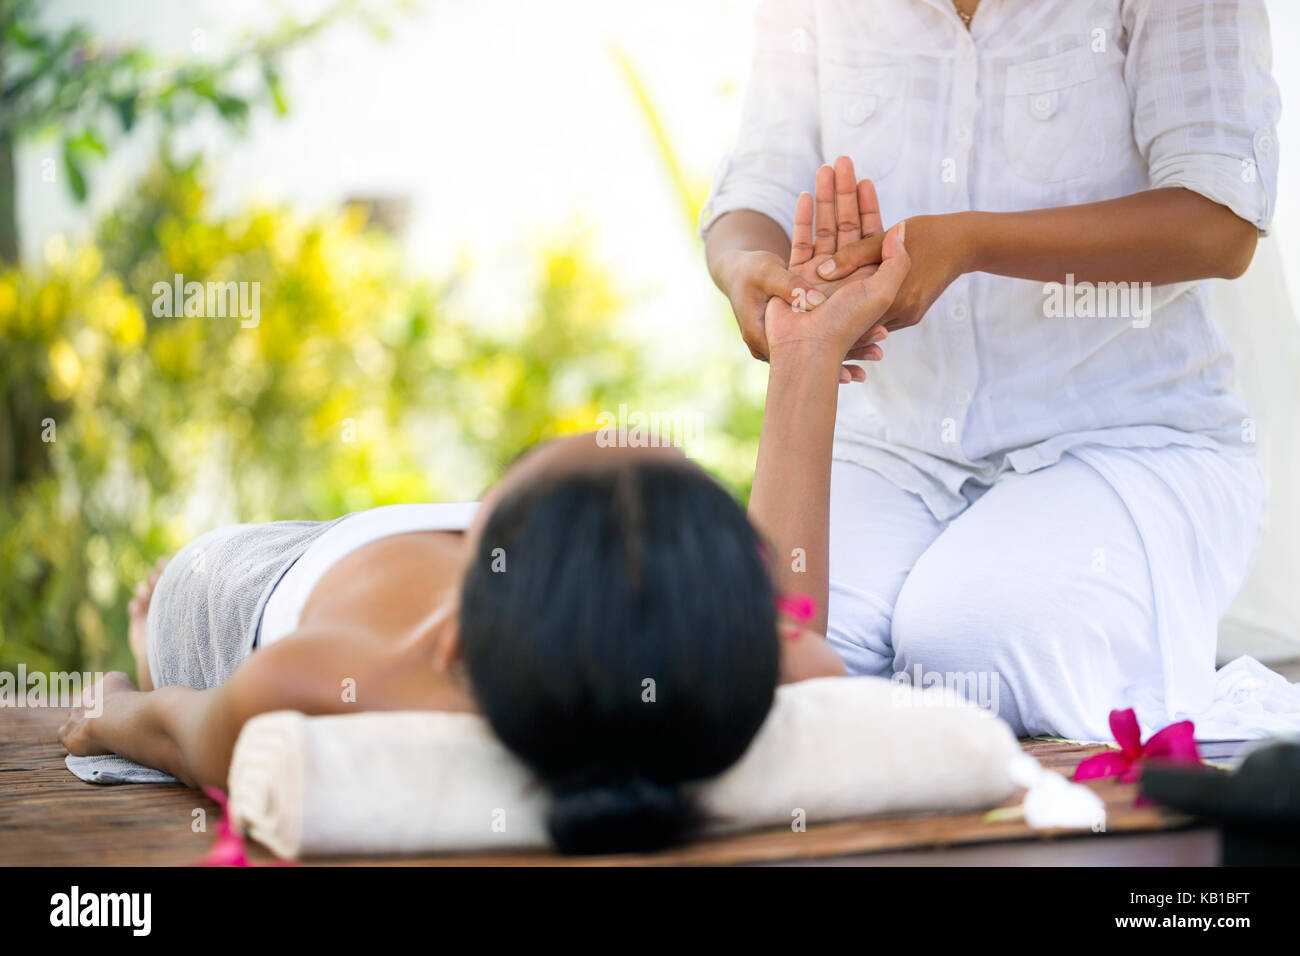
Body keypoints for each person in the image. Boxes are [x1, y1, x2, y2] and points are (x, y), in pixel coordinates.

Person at [58, 205, 911, 856]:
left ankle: (156, 619)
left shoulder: (338, 672)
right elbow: (792, 610)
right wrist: (807, 351)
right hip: (539, 561)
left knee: (172, 605)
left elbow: (183, 732)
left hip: (246, 579)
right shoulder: (751, 658)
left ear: (455, 633)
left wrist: (112, 708)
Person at [702, 0, 1288, 739]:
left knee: (963, 651)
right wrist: (745, 269)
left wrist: (971, 244)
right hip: (889, 447)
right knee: (760, 660)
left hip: (1126, 439)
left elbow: (1219, 219)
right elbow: (752, 192)